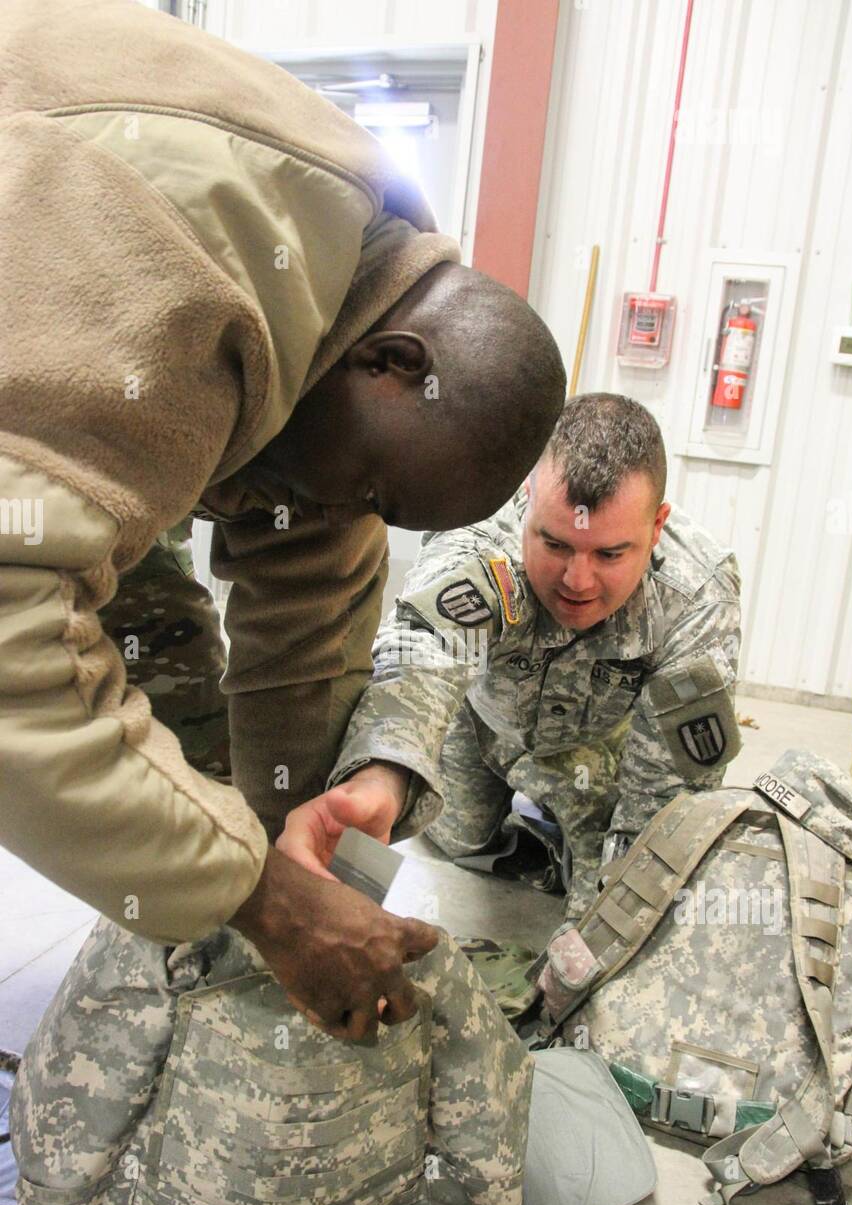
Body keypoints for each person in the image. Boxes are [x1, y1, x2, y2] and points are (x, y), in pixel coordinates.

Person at [0, 0, 566, 1045]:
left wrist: (301, 834)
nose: (348, 516)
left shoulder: (356, 307)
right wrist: (263, 898)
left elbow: (307, 626)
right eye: (370, 493)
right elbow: (11, 648)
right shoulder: (178, 281)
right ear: (395, 367)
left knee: (167, 673)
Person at [287, 394, 742, 993]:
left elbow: (665, 797)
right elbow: (424, 650)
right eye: (555, 544)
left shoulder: (696, 597)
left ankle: (558, 819)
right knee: (455, 838)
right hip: (479, 725)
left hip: (594, 748)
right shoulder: (479, 534)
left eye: (610, 553)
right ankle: (520, 814)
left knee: (602, 935)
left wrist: (609, 932)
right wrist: (382, 776)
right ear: (528, 496)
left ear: (656, 527)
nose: (578, 581)